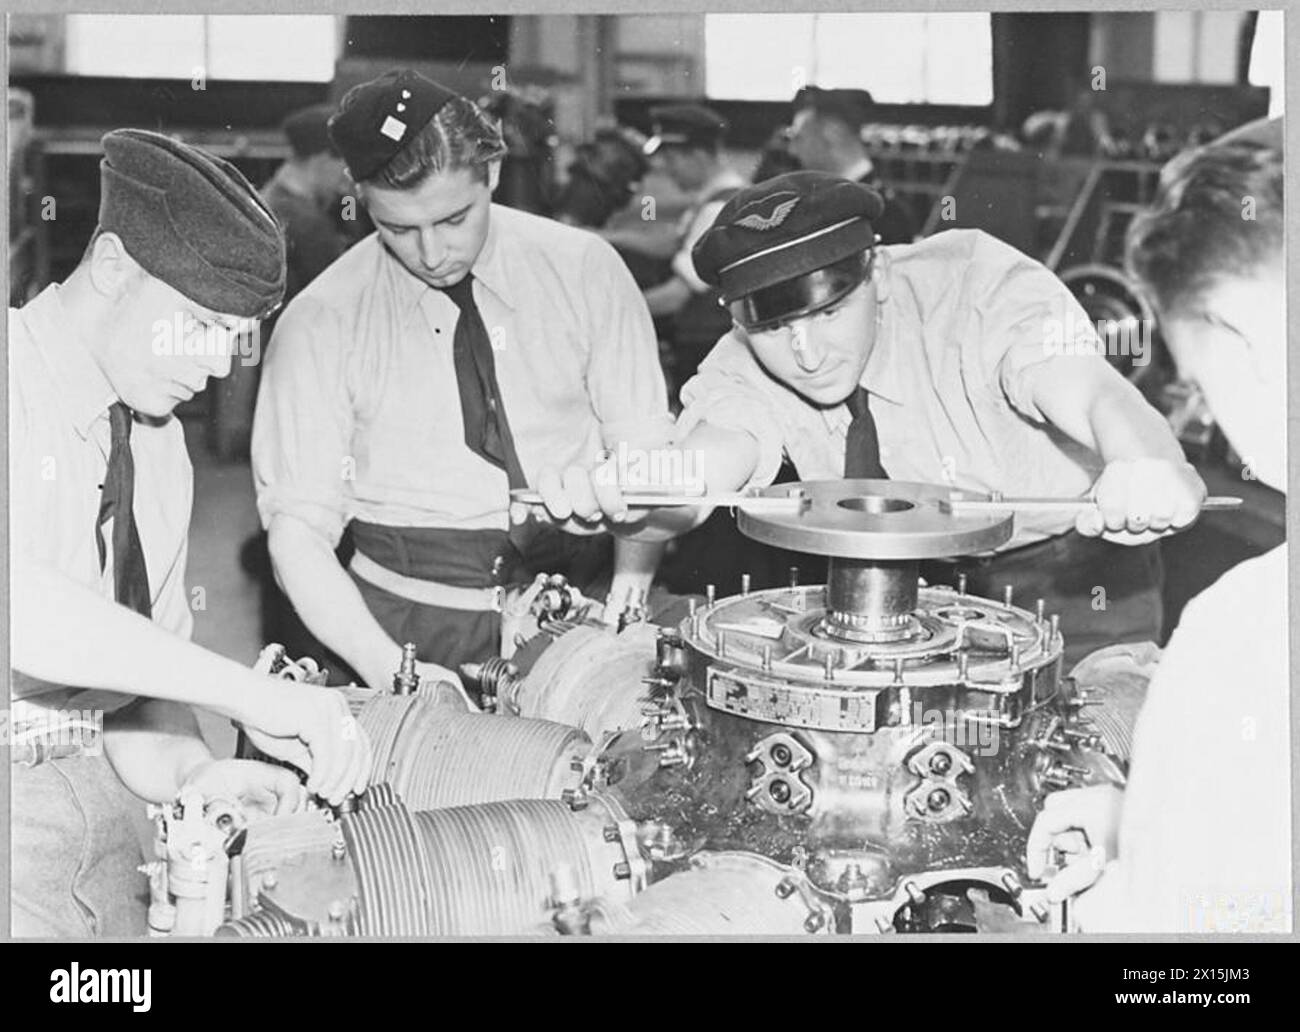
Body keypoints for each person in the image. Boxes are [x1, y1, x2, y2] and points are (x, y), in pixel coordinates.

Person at [532, 171, 1211, 667]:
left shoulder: (971, 285)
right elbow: (709, 465)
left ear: (878, 274)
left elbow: (1092, 392)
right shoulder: (745, 361)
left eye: (828, 313)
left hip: (1066, 581)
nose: (805, 355)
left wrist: (1149, 464)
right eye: (775, 329)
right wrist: (634, 485)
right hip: (890, 590)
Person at [9, 128, 371, 937]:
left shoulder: (158, 448)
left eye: (234, 340)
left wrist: (204, 775)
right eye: (199, 326)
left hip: (99, 825)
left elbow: (138, 709)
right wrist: (252, 693)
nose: (215, 368)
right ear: (110, 268)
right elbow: (23, 611)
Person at [252, 70, 672, 688]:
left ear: (492, 173)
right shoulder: (321, 320)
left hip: (585, 616)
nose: (430, 253)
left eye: (453, 219)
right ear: (361, 198)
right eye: (396, 228)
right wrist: (389, 668)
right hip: (403, 628)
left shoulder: (584, 271)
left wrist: (627, 603)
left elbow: (643, 455)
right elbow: (298, 532)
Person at [1025, 124, 1289, 933]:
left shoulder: (1247, 630)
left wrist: (1135, 896)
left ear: (1242, 349)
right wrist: (1140, 819)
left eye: (1203, 385)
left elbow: (1199, 971)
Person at [788, 87, 917, 245]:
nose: (792, 150)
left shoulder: (887, 217)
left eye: (799, 137)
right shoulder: (880, 209)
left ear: (832, 133)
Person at [261, 103, 355, 302]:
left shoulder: (266, 199)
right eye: (343, 166)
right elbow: (342, 298)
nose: (346, 177)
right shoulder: (308, 224)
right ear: (322, 159)